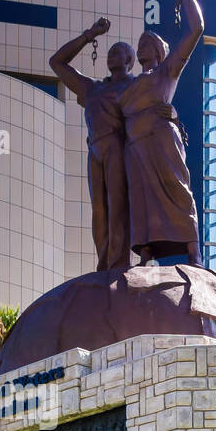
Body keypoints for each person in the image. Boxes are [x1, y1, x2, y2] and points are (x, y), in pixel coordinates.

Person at [121, 0, 205, 267]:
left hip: (162, 144)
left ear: (159, 51)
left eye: (149, 41)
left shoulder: (166, 72)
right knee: (141, 201)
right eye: (140, 43)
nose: (142, 44)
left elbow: (196, 28)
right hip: (135, 149)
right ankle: (146, 254)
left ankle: (194, 250)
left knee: (177, 191)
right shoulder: (126, 87)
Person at [49, 18, 135, 271]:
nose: (111, 55)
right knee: (99, 208)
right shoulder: (92, 88)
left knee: (118, 204)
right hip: (95, 149)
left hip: (118, 146)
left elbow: (159, 99)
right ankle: (104, 262)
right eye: (110, 52)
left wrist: (171, 117)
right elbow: (57, 63)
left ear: (129, 60)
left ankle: (119, 262)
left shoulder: (135, 85)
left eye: (117, 52)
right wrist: (89, 35)